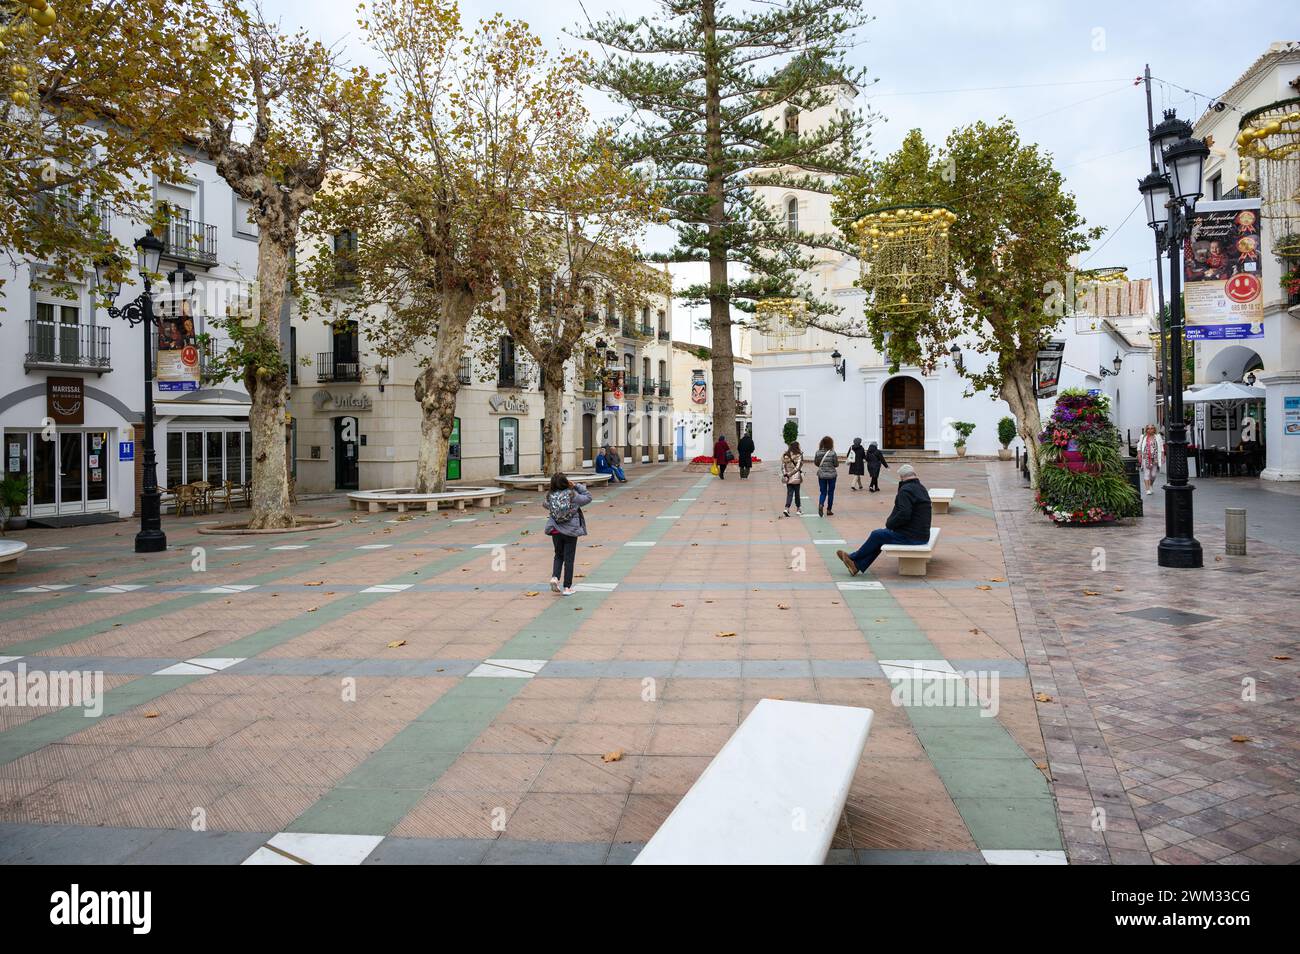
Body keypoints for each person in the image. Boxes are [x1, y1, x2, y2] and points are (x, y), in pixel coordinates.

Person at [836, 463, 931, 575]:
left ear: (902, 477)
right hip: (921, 533)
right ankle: (856, 566)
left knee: (877, 535)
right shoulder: (921, 488)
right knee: (881, 537)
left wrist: (890, 524)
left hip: (913, 536)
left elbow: (904, 514)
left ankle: (853, 558)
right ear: (914, 475)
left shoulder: (906, 491)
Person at [544, 473, 592, 595]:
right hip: (570, 532)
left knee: (558, 555)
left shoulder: (550, 495)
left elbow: (545, 504)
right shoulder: (572, 495)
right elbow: (588, 497)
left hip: (555, 530)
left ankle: (555, 577)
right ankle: (567, 587)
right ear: (566, 482)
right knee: (569, 559)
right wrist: (576, 486)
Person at [814, 435, 839, 517]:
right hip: (832, 475)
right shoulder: (832, 453)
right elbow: (836, 464)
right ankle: (829, 510)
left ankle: (821, 504)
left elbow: (816, 463)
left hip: (821, 475)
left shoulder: (818, 452)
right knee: (831, 492)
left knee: (823, 492)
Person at [1136, 425, 1164, 495]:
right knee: (1147, 473)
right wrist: (1139, 455)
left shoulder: (1158, 436)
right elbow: (1139, 446)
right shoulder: (1143, 437)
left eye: (1152, 428)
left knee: (1153, 474)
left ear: (1154, 429)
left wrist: (1163, 456)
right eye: (1148, 428)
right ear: (1146, 430)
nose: (1150, 430)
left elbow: (1161, 447)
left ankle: (1151, 485)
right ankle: (1147, 489)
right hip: (1146, 457)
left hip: (1155, 458)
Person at [780, 441, 804, 517]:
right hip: (796, 477)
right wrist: (790, 474)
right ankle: (798, 509)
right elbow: (797, 467)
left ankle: (786, 508)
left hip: (788, 477)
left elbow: (782, 466)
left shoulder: (785, 455)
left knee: (789, 493)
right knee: (797, 494)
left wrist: (785, 474)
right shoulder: (799, 455)